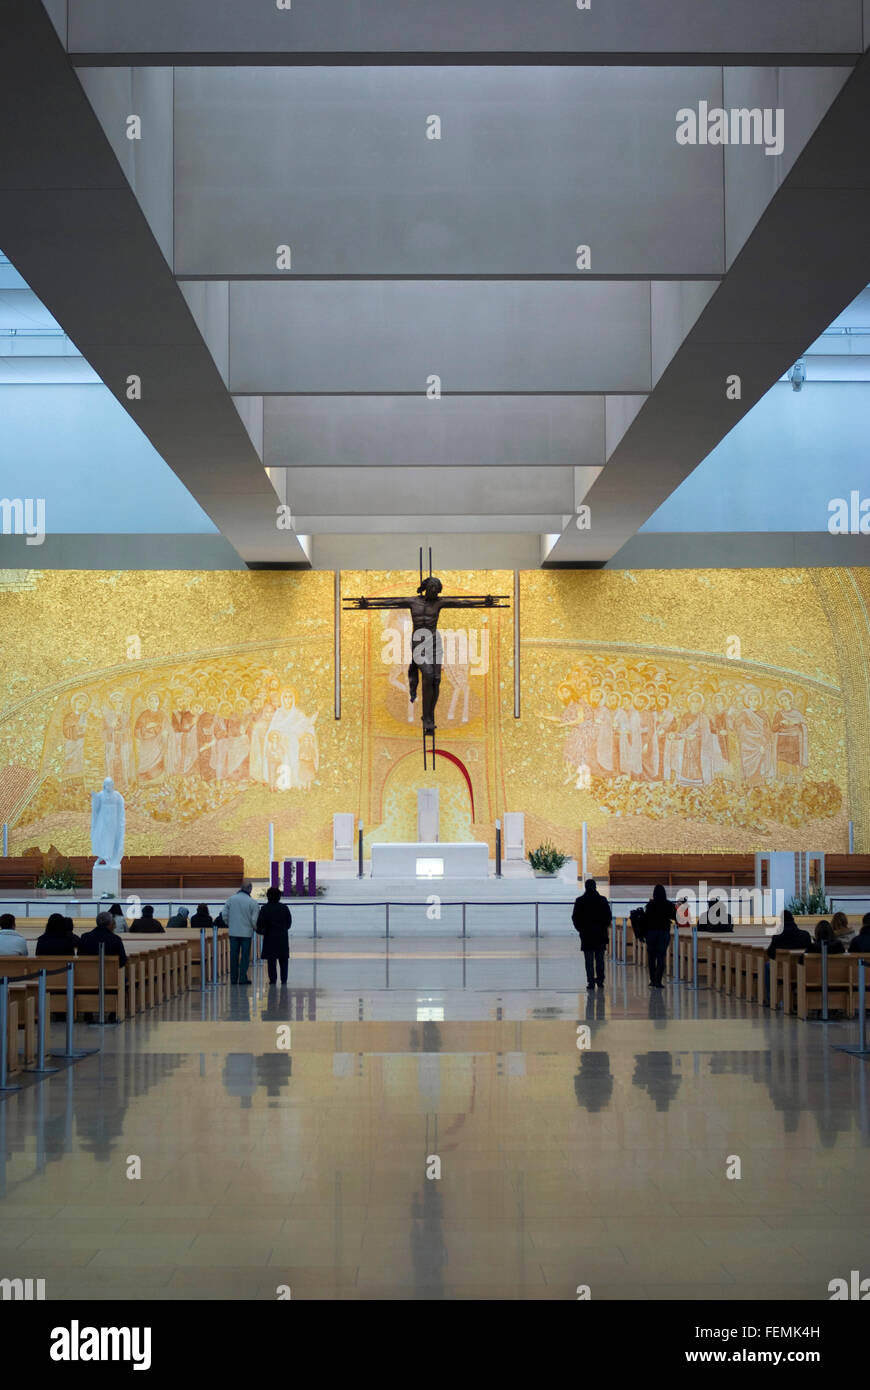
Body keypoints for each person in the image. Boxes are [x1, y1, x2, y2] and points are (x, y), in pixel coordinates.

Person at [571, 879, 612, 991]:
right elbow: (608, 916)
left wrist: (580, 929)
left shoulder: (580, 900)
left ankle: (590, 981)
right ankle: (600, 980)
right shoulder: (602, 900)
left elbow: (575, 917)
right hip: (600, 934)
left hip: (587, 934)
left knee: (588, 960)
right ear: (595, 887)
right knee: (600, 959)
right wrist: (603, 927)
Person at [223, 881, 260, 985]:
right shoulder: (252, 902)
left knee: (233, 955)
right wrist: (255, 928)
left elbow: (224, 914)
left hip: (233, 932)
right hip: (246, 933)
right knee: (245, 956)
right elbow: (254, 920)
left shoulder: (231, 899)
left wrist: (229, 924)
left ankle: (233, 979)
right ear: (250, 889)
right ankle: (243, 978)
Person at [256, 886, 293, 985]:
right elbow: (289, 923)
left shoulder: (264, 909)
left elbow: (260, 924)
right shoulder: (284, 908)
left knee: (271, 961)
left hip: (270, 937)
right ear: (279, 897)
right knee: (283, 960)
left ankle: (273, 980)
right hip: (282, 937)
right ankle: (284, 979)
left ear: (268, 896)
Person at [644, 885, 676, 988]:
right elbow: (675, 917)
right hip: (663, 932)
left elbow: (646, 919)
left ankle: (652, 980)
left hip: (651, 933)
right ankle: (658, 981)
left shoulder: (650, 905)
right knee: (661, 956)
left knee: (651, 957)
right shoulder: (668, 904)